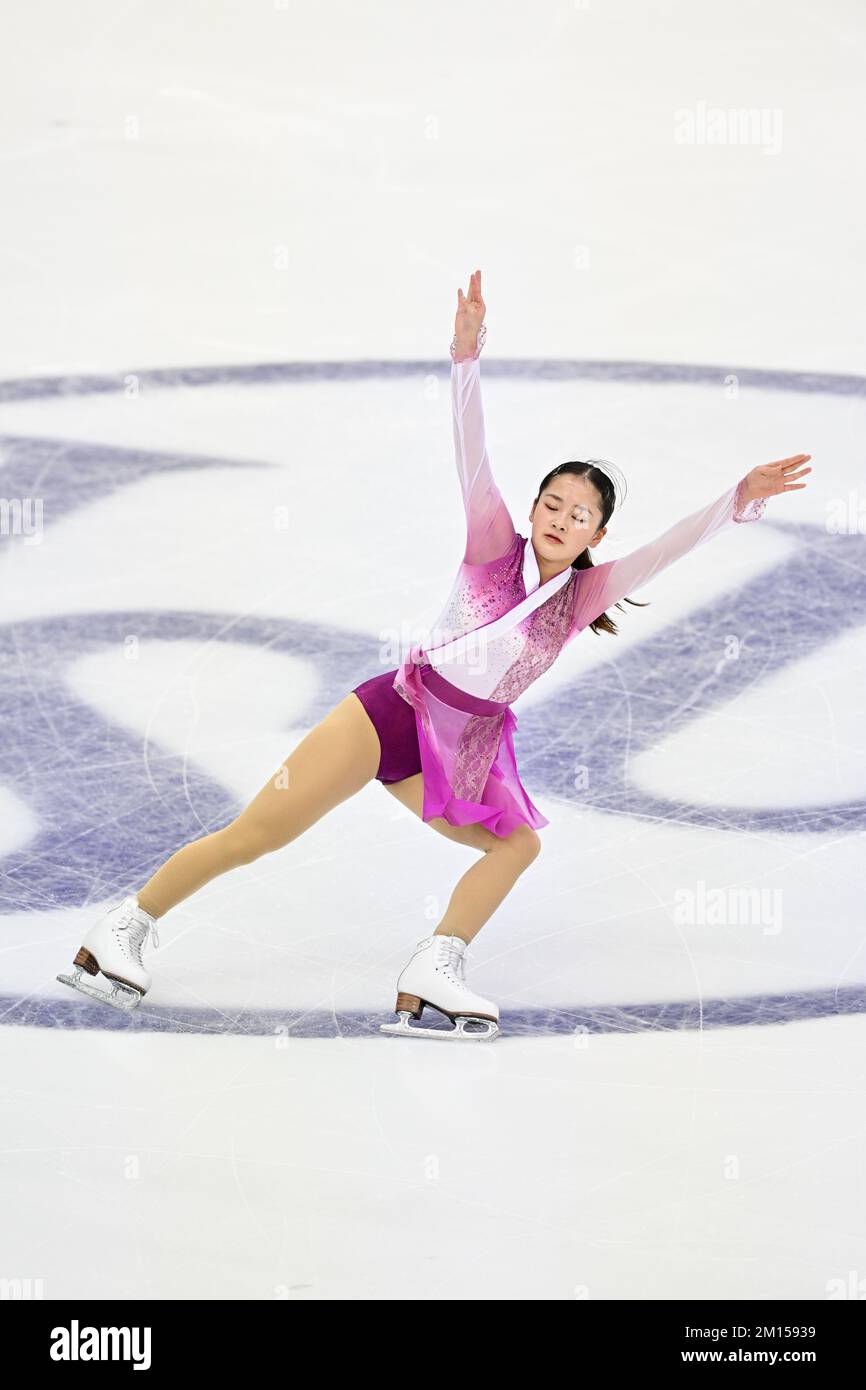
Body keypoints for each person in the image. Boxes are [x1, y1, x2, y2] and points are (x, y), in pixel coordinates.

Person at [57, 269, 813, 1041]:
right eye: (552, 503)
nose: (560, 517)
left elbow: (670, 549)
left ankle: (435, 967)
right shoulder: (493, 545)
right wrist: (465, 357)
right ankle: (124, 927)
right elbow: (472, 453)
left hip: (460, 748)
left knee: (515, 846)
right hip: (392, 713)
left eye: (578, 514)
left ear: (596, 535)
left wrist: (738, 496)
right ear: (533, 509)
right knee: (259, 835)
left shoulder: (582, 598)